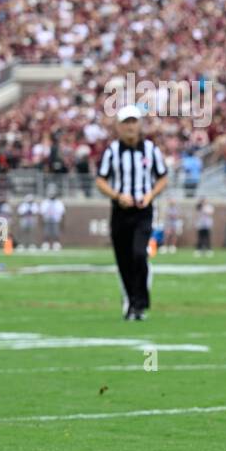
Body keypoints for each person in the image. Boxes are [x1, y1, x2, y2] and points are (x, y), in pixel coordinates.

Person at [95, 105, 168, 319]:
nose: (130, 126)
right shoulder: (112, 151)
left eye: (133, 121)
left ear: (140, 124)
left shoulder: (151, 149)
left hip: (143, 210)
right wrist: (117, 196)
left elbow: (163, 177)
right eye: (126, 122)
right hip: (120, 210)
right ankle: (130, 301)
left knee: (138, 253)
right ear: (118, 126)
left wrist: (150, 195)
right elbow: (100, 180)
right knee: (123, 259)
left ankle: (139, 303)